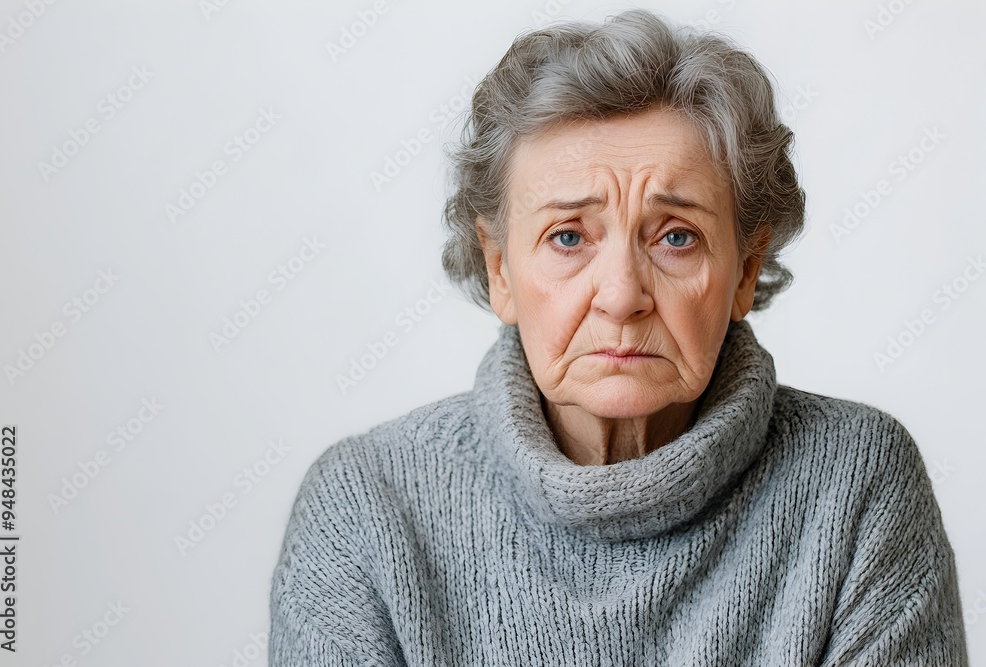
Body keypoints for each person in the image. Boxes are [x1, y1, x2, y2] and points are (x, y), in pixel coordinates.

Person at [269, 9, 969, 665]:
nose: (623, 296)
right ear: (499, 268)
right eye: (568, 236)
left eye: (675, 236)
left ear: (746, 269)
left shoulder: (858, 485)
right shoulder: (365, 507)